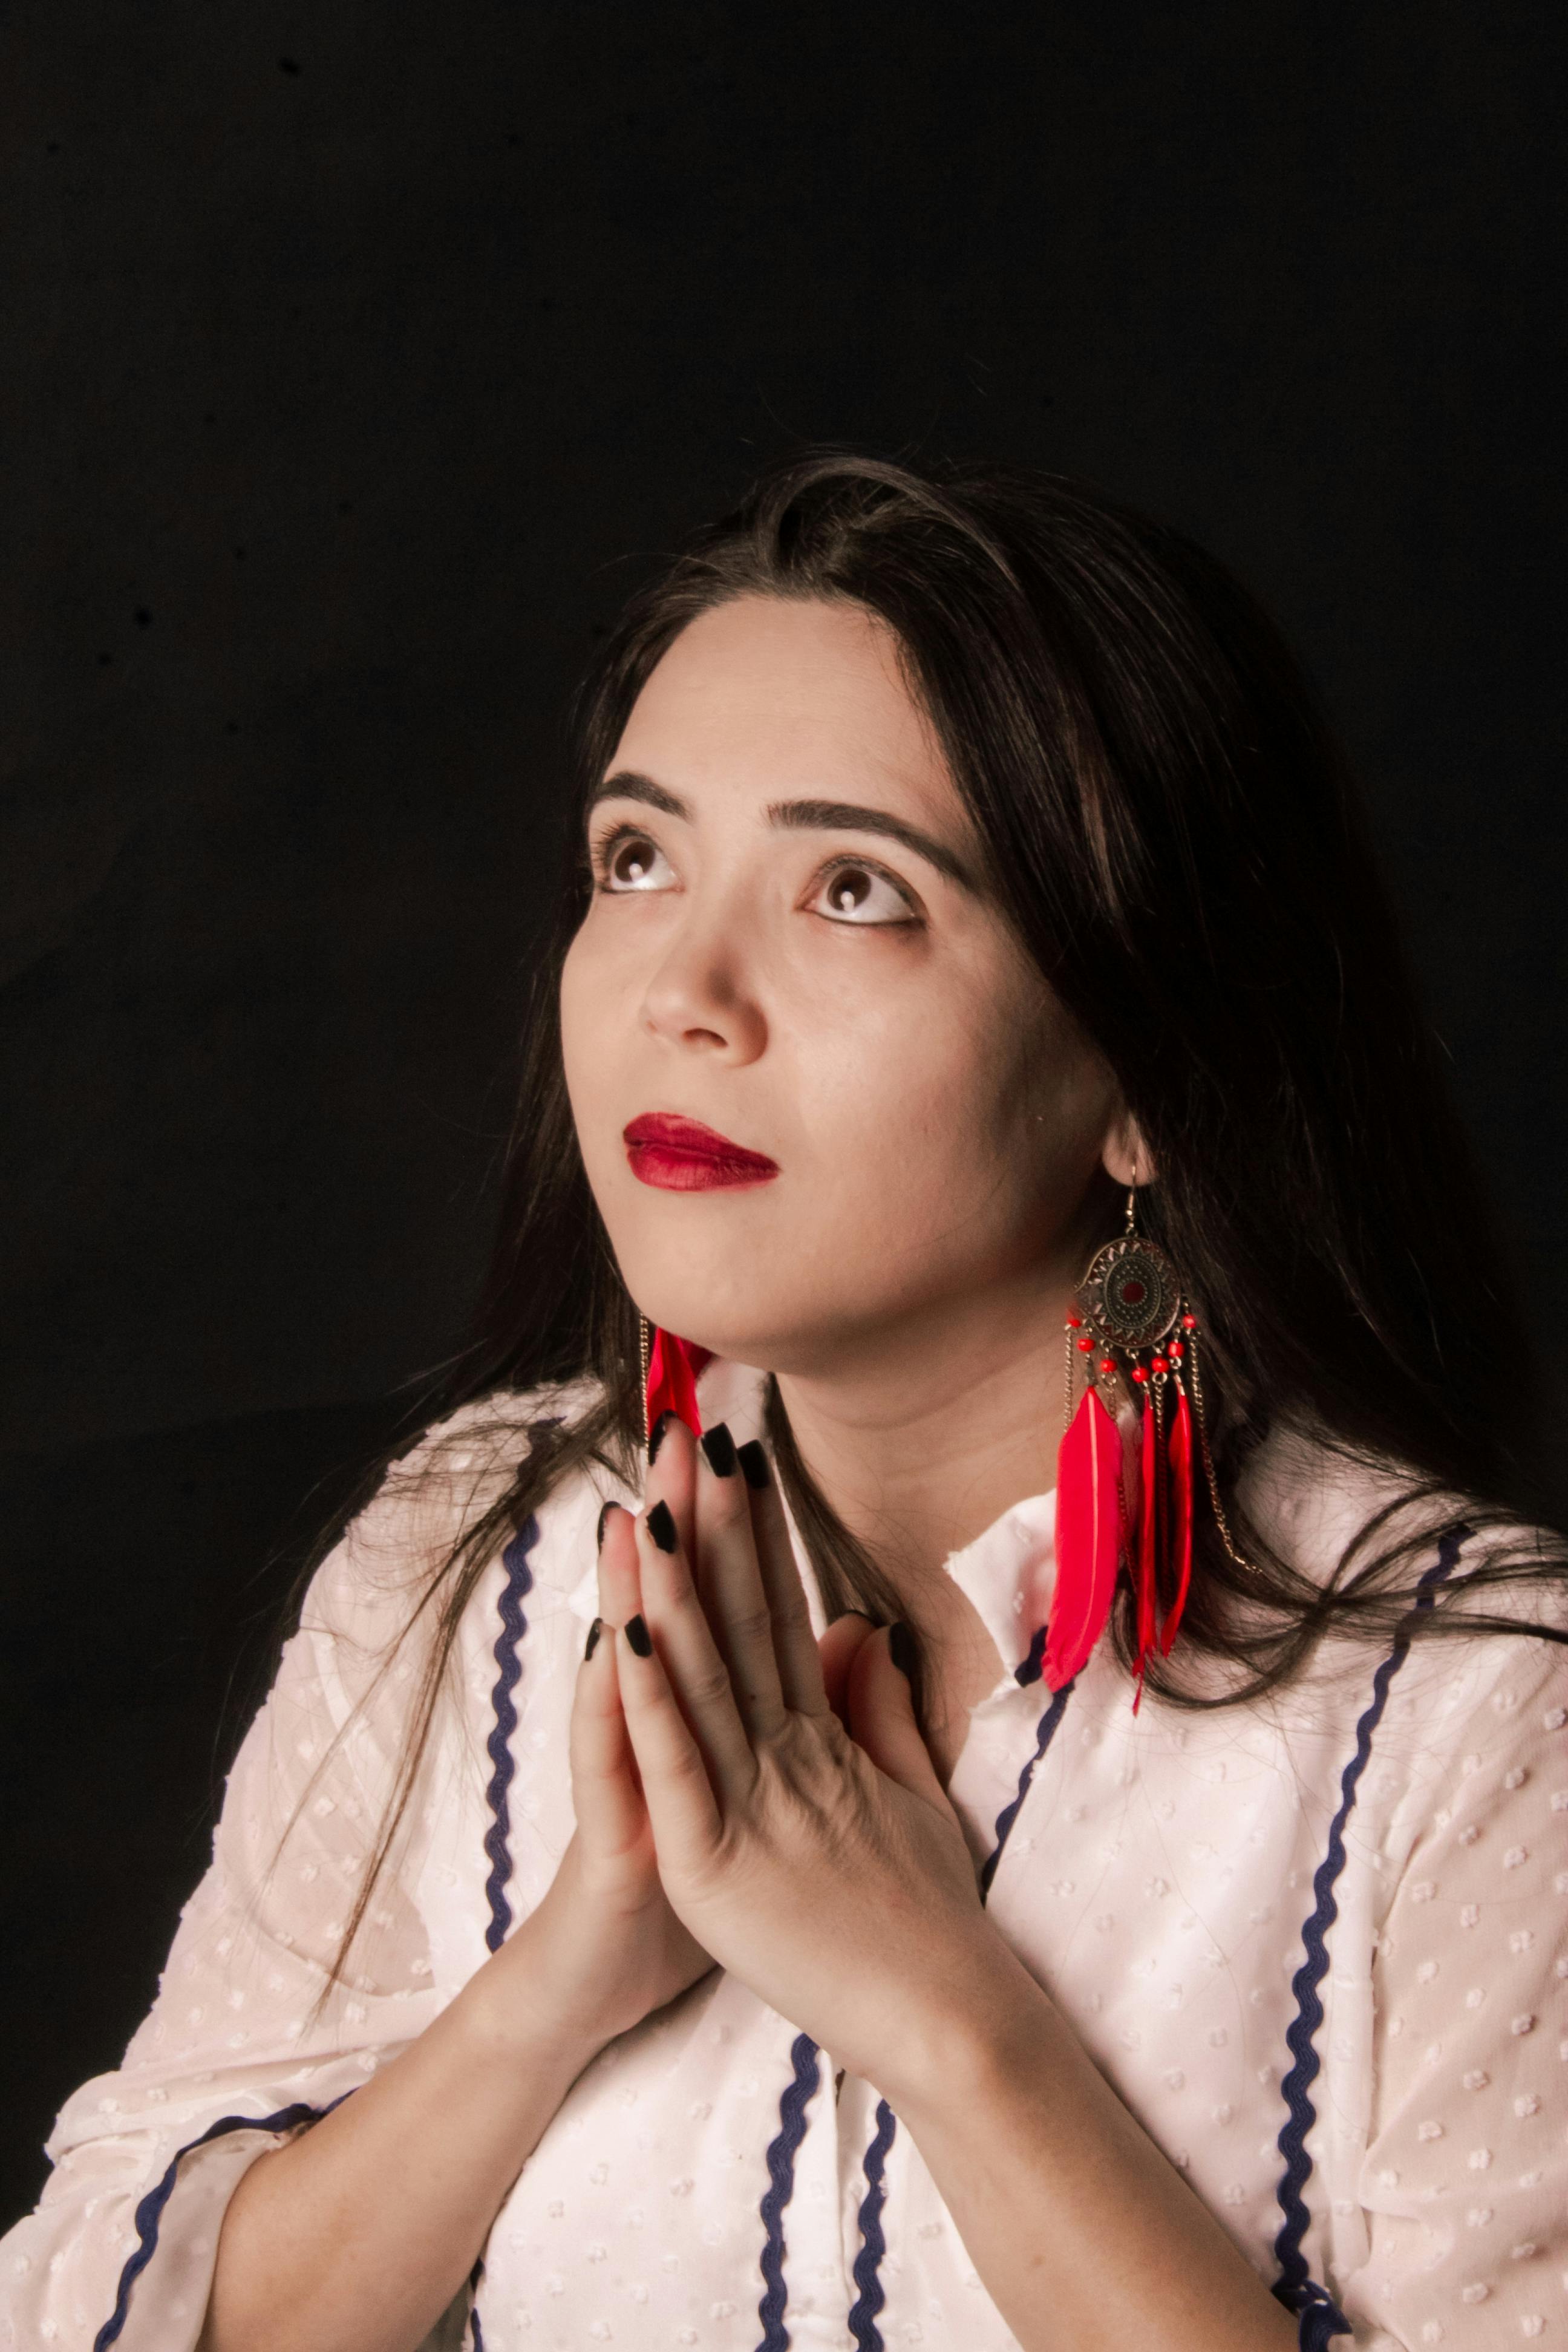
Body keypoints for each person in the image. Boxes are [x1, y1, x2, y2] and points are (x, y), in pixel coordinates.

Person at [3, 452, 1564, 2352]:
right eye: (637, 860)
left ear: (1145, 1080)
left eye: (854, 890)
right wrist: (562, 1979)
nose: (684, 990)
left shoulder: (1484, 1717)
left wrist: (949, 2019)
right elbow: (100, 2313)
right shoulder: (469, 1560)